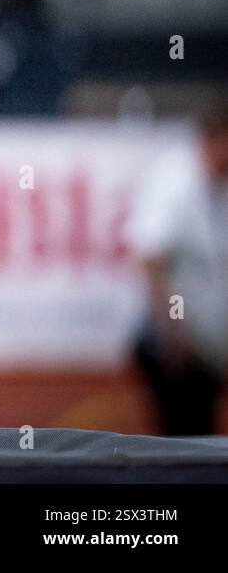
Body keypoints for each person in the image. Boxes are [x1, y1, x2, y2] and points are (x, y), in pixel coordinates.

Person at [128, 106, 228, 436]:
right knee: (183, 440)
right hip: (177, 348)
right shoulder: (176, 181)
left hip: (207, 347)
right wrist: (173, 332)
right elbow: (150, 257)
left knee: (198, 436)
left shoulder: (218, 185)